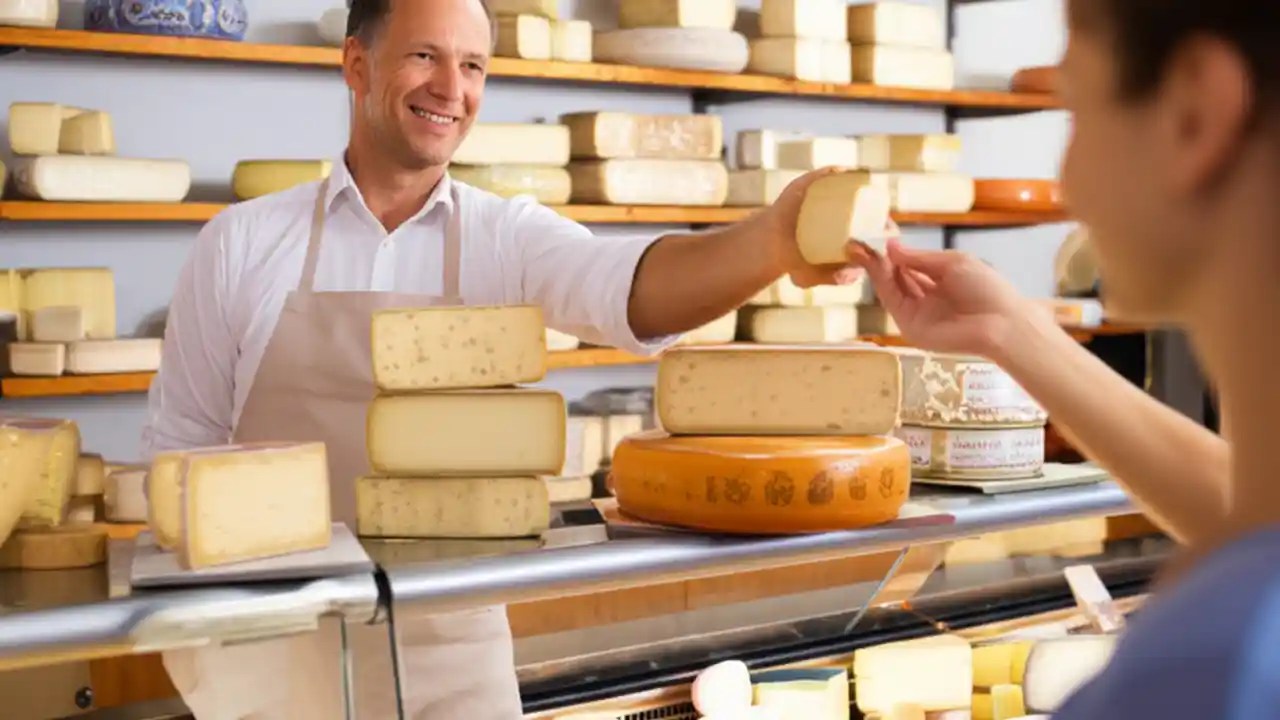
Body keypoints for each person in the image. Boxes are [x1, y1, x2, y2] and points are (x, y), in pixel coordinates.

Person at [138, 0, 866, 718]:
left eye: (473, 64)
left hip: (452, 650)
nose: (451, 88)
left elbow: (631, 288)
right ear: (356, 65)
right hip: (273, 652)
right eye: (425, 55)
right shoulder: (241, 242)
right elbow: (178, 457)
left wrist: (772, 243)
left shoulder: (505, 238)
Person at [850, 0, 1280, 715]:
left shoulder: (1216, 661)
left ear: (1195, 114)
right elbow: (1252, 518)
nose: (1066, 181)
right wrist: (1011, 332)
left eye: (1076, 113)